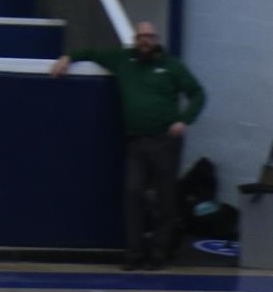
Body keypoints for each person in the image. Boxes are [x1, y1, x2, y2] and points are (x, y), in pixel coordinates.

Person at [50, 22, 206, 271]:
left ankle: (158, 254)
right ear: (135, 39)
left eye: (150, 36)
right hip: (135, 142)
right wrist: (68, 57)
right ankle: (133, 254)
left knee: (166, 200)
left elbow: (198, 93)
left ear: (156, 39)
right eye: (141, 36)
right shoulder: (123, 60)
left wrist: (184, 120)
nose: (145, 40)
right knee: (133, 193)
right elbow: (92, 52)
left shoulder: (171, 66)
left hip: (164, 141)